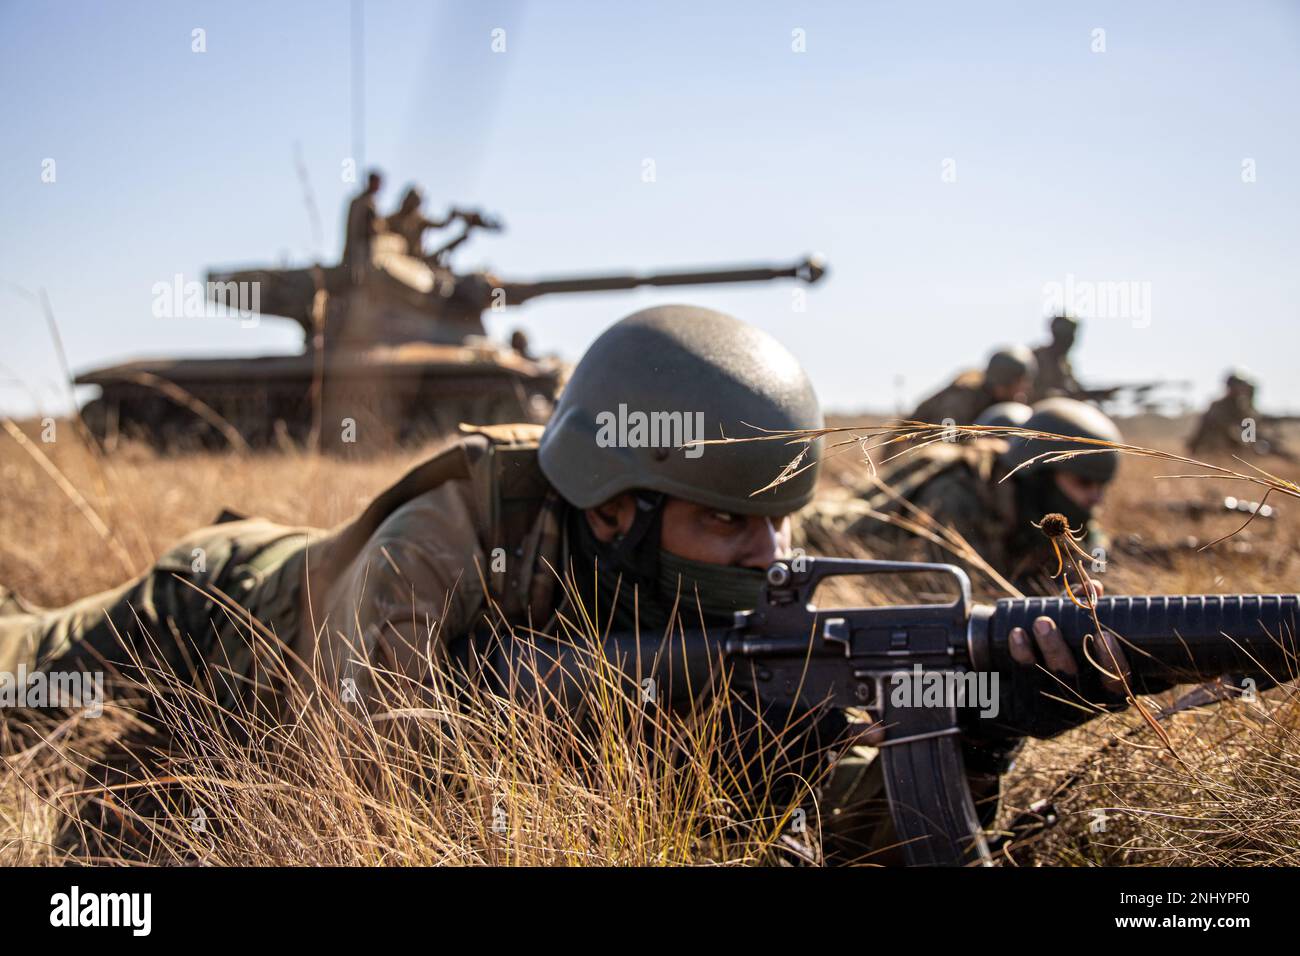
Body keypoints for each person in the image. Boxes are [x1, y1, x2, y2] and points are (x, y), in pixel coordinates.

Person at [1, 307, 1119, 865]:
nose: (772, 554)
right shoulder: (440, 544)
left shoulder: (746, 575)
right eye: (729, 520)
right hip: (219, 607)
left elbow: (846, 823)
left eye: (779, 517)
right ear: (612, 508)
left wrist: (978, 734)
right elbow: (349, 796)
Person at [806, 397, 1121, 597]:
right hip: (826, 544)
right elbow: (952, 594)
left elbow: (1088, 556)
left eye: (1101, 486)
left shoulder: (1037, 504)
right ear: (1039, 476)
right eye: (1084, 482)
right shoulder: (960, 495)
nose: (1096, 498)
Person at [908, 346, 1037, 427]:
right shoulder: (962, 399)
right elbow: (946, 439)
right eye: (1022, 383)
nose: (1025, 390)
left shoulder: (1000, 401)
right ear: (1004, 383)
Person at [1187, 369, 1295, 461]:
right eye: (1240, 386)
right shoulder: (1220, 406)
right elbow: (1235, 431)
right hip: (1218, 452)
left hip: (1231, 450)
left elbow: (1251, 425)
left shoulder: (1239, 406)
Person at [342, 170, 384, 284]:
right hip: (359, 245)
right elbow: (355, 226)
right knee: (357, 276)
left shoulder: (371, 202)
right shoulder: (361, 202)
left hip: (367, 245)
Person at [385, 186, 452, 257]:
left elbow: (441, 225)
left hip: (415, 258)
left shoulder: (420, 220)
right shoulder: (393, 219)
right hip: (395, 255)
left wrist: (450, 217)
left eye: (416, 202)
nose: (412, 204)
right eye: (411, 200)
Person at [1030, 314, 1083, 402]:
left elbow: (1076, 389)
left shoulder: (1065, 364)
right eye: (1066, 336)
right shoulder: (1035, 358)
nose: (1071, 341)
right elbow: (1027, 392)